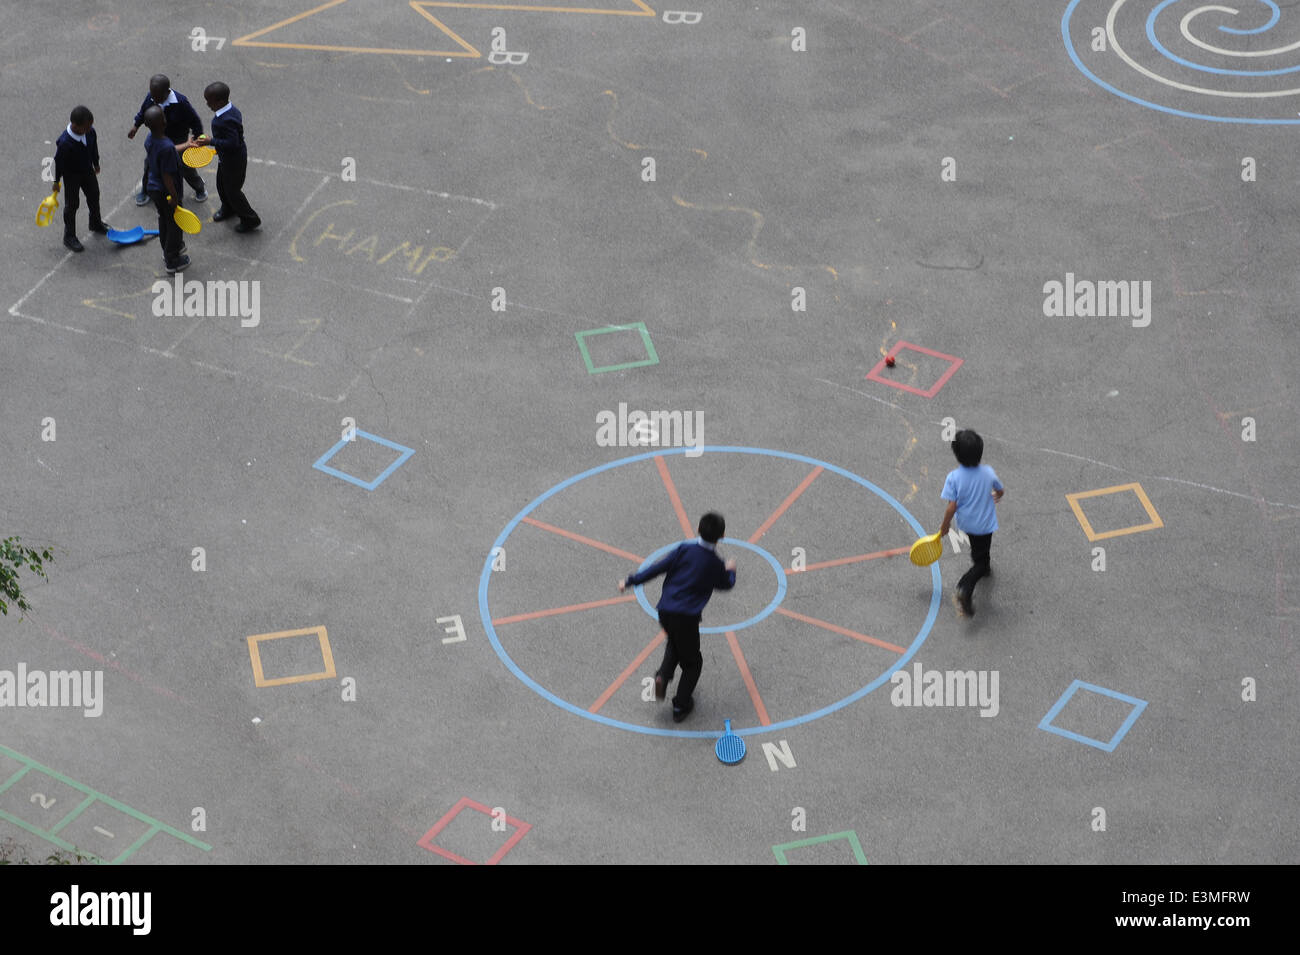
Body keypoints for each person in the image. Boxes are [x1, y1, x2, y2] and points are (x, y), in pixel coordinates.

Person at [618, 512, 737, 722]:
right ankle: (681, 705)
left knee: (674, 641)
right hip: (687, 618)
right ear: (723, 535)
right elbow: (725, 584)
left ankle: (663, 677)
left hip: (665, 610)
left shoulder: (684, 549)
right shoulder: (715, 564)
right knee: (693, 663)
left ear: (697, 529)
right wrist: (731, 571)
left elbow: (657, 568)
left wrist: (630, 580)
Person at [938, 429, 1004, 618]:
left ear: (957, 455)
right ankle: (965, 587)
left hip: (967, 524)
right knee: (980, 560)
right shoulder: (988, 473)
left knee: (979, 549)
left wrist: (945, 526)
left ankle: (985, 567)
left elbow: (951, 507)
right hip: (985, 524)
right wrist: (996, 495)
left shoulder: (953, 477)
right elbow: (1000, 490)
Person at [192, 81, 260, 232]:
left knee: (233, 191)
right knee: (221, 185)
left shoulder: (225, 119)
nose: (207, 104)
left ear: (220, 101)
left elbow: (233, 143)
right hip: (226, 158)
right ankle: (228, 208)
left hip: (234, 161)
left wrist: (211, 141)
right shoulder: (229, 111)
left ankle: (250, 219)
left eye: (209, 101)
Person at [128, 75, 206, 205]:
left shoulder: (181, 102)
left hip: (178, 138)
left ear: (167, 92)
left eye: (157, 96)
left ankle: (199, 187)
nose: (154, 99)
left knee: (184, 165)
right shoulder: (152, 97)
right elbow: (143, 111)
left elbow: (195, 121)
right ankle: (146, 190)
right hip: (158, 136)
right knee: (150, 164)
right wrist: (136, 126)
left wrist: (198, 138)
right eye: (152, 95)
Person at [142, 105, 190, 274]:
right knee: (175, 223)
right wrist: (174, 196)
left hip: (153, 188)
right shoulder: (166, 147)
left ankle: (166, 250)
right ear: (164, 122)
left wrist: (187, 144)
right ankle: (172, 260)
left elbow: (168, 150)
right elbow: (167, 176)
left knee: (164, 219)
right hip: (166, 191)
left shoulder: (150, 139)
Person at [53, 105, 108, 252]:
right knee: (72, 205)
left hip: (87, 171)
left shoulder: (90, 133)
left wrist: (96, 163)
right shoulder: (65, 142)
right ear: (75, 125)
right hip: (72, 176)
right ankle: (69, 236)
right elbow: (59, 162)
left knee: (94, 195)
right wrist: (56, 181)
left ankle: (95, 222)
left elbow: (93, 148)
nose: (90, 128)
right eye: (86, 126)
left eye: (90, 125)